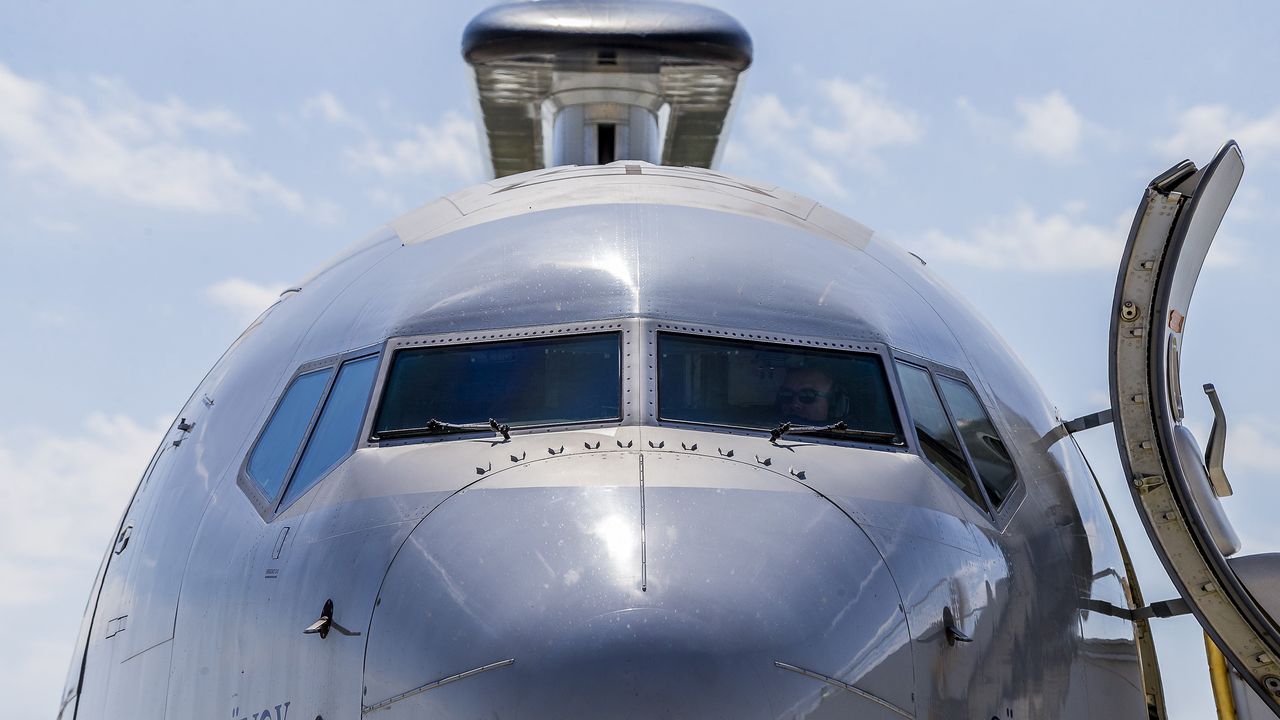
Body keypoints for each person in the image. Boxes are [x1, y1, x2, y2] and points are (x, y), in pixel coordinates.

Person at [775, 366, 843, 424]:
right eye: (787, 395)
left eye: (807, 396)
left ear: (833, 405)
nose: (794, 405)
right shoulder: (767, 428)